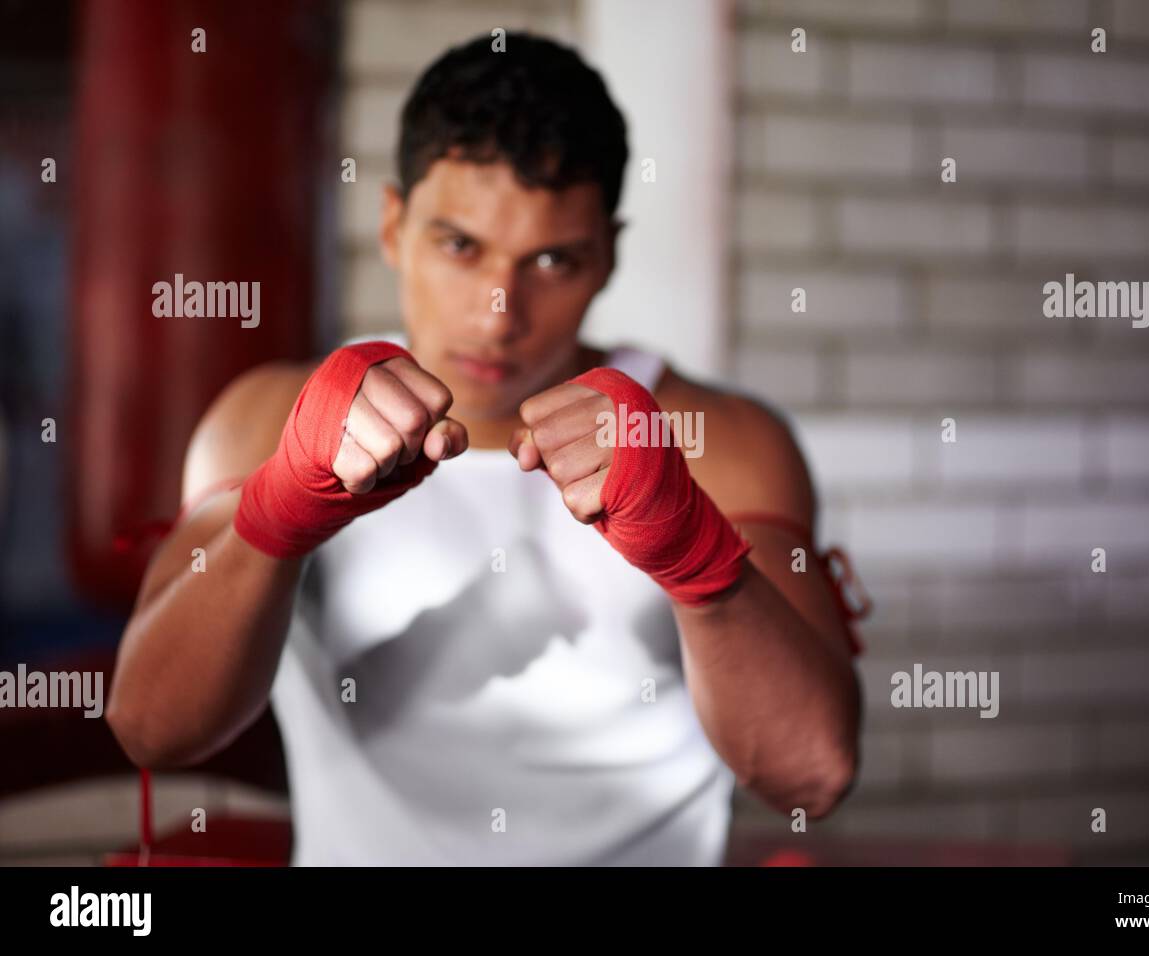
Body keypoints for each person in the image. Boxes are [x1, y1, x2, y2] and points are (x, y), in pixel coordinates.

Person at [107, 32, 864, 866]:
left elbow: (813, 777)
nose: (501, 313)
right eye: (460, 246)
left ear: (607, 255)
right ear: (394, 226)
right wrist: (274, 512)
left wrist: (698, 558)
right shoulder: (264, 420)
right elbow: (150, 727)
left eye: (552, 260)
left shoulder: (721, 443)